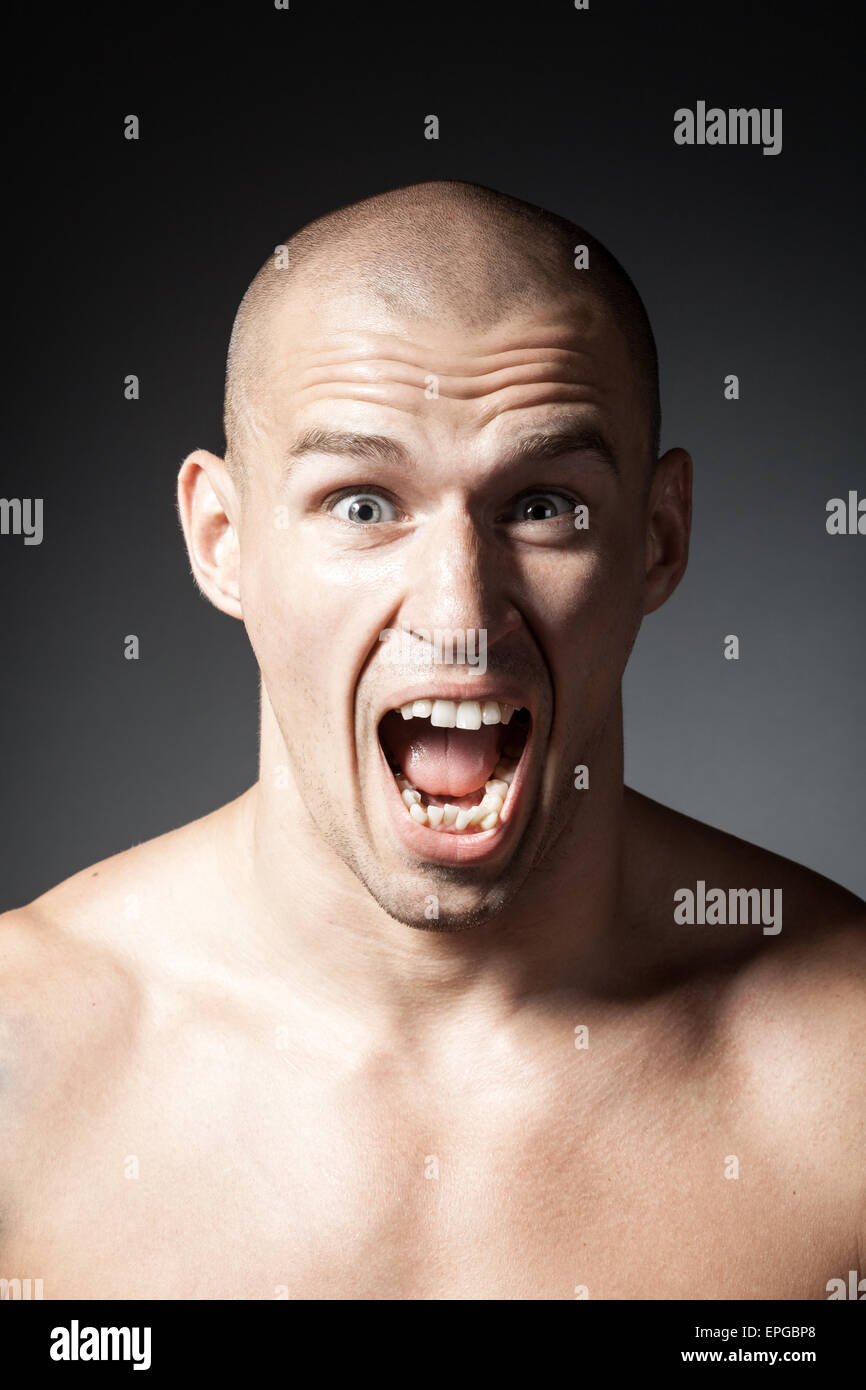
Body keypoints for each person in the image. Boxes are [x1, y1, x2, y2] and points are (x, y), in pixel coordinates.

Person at [1, 181, 863, 1300]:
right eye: (362, 504)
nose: (457, 613)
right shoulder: (25, 1057)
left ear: (657, 539)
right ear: (221, 540)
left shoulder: (842, 1067)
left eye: (543, 503)